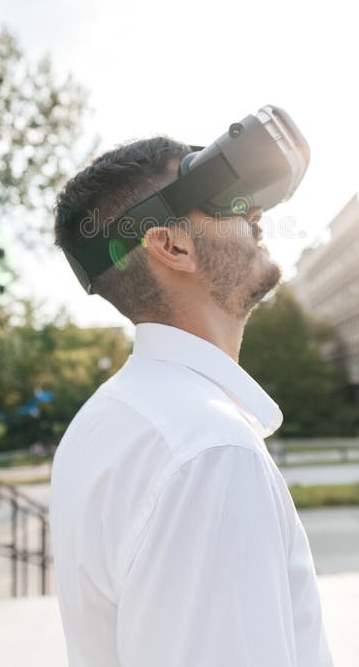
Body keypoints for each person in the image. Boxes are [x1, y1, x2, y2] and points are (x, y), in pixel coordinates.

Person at [49, 136, 335, 667]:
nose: (255, 214)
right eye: (226, 198)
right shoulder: (210, 450)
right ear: (173, 246)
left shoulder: (103, 421)